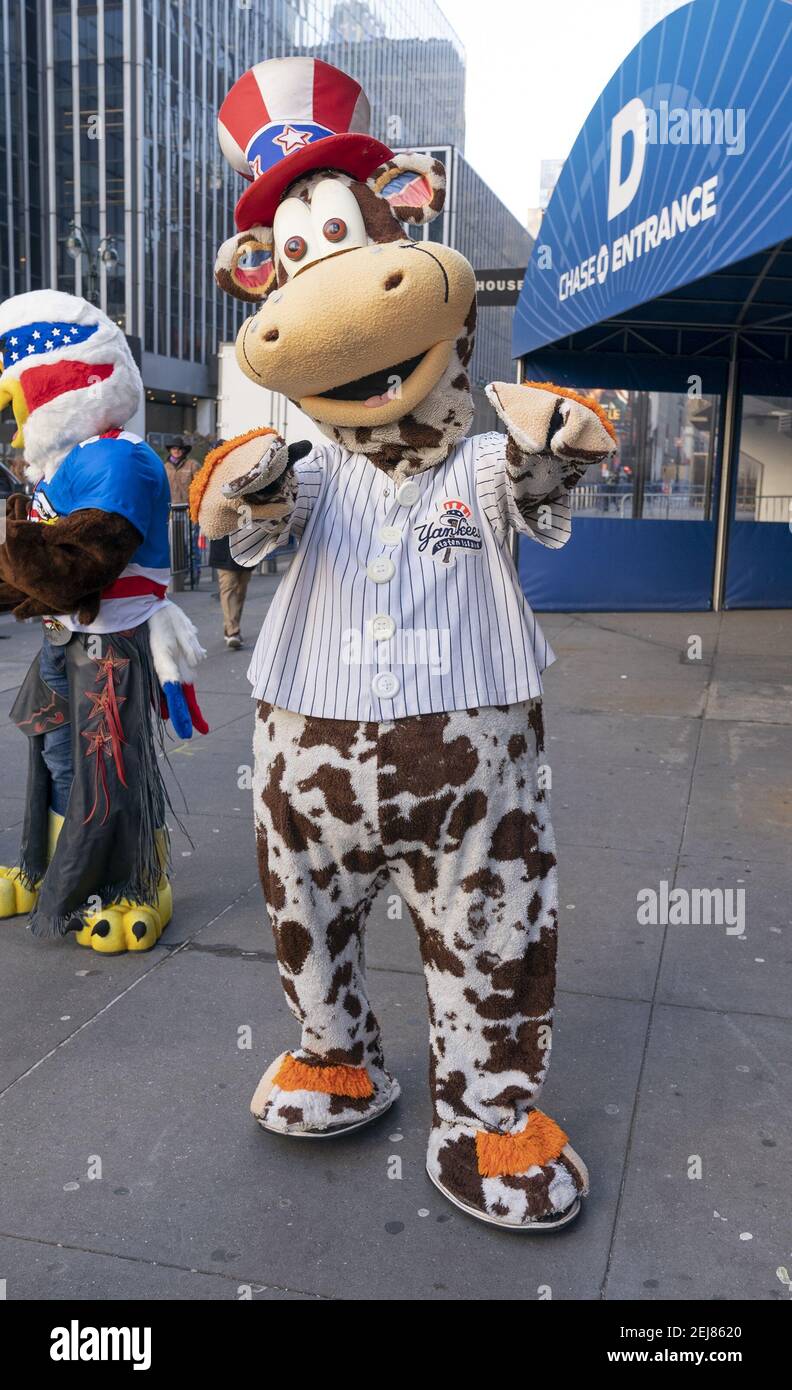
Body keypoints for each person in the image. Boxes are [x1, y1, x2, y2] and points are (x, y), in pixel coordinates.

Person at [194, 56, 617, 1231]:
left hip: (470, 776)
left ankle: (489, 1113)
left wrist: (548, 445)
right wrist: (250, 493)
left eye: (344, 240)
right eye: (294, 259)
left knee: (490, 927)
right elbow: (252, 532)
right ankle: (334, 1055)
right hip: (306, 750)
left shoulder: (478, 462)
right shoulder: (305, 467)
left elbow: (536, 487)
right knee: (306, 910)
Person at [0, 290, 207, 953]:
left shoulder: (117, 457)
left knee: (111, 767)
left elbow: (77, 563)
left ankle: (131, 886)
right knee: (59, 758)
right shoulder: (67, 461)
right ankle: (54, 870)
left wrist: (14, 552)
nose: (16, 418)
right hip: (67, 637)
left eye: (20, 398)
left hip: (109, 640)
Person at [164, 438, 201, 586]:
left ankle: (193, 573)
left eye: (179, 448)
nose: (176, 451)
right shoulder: (164, 467)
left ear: (184, 450)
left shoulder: (193, 465)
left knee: (190, 543)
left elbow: (200, 486)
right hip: (172, 511)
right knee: (175, 545)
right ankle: (179, 574)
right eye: (174, 448)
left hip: (188, 510)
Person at [209, 533, 252, 650]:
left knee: (241, 590)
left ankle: (230, 626)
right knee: (228, 586)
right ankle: (233, 631)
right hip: (224, 544)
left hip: (246, 543)